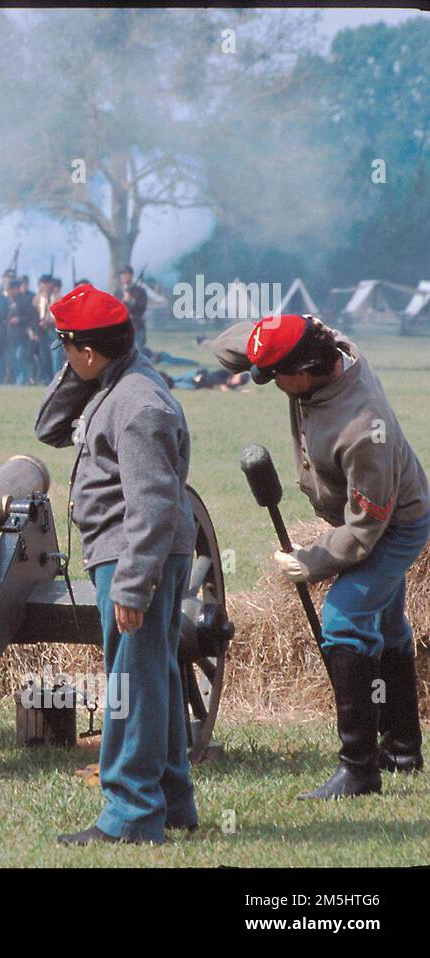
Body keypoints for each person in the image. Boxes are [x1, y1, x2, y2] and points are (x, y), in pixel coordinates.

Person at [214, 315, 429, 795]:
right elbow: (233, 346)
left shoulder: (363, 427)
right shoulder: (323, 343)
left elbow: (365, 530)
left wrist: (312, 561)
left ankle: (359, 769)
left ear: (305, 370)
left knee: (345, 620)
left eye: (275, 376)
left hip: (394, 525)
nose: (270, 385)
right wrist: (261, 345)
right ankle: (402, 748)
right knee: (390, 627)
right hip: (368, 518)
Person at [35, 283, 198, 845]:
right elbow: (50, 430)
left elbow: (152, 504)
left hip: (132, 553)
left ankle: (130, 815)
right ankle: (173, 802)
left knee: (133, 681)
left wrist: (132, 584)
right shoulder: (115, 380)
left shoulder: (136, 404)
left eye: (67, 349)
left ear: (86, 351)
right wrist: (79, 362)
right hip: (127, 549)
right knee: (155, 675)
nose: (64, 358)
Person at [116, 266, 148, 350]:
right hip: (121, 329)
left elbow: (141, 309)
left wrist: (131, 301)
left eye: (126, 274)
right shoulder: (118, 293)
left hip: (137, 326)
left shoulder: (140, 291)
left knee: (138, 353)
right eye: (122, 274)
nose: (124, 277)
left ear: (131, 275)